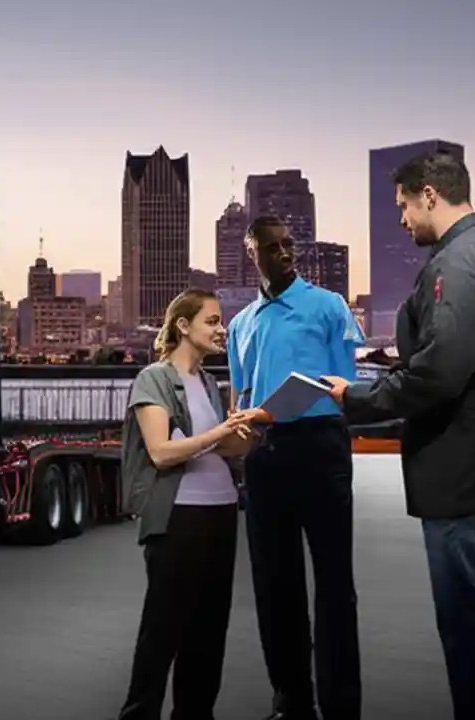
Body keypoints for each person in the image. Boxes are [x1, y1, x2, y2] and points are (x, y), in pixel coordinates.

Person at [321, 151, 475, 720]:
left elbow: (442, 371)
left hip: (467, 474)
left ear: (429, 194)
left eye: (403, 205)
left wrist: (355, 397)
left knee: (469, 625)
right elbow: (462, 350)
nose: (402, 219)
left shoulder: (456, 263)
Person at [225, 216, 366, 720]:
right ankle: (291, 701)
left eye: (290, 244)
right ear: (252, 252)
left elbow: (343, 383)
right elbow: (241, 395)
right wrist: (241, 430)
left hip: (321, 449)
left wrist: (278, 408)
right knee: (274, 584)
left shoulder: (329, 306)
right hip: (265, 457)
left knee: (334, 584)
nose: (287, 253)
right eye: (274, 246)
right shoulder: (241, 325)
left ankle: (341, 705)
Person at [117, 288, 257, 720]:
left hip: (220, 511)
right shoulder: (154, 379)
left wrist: (246, 431)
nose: (222, 329)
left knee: (209, 631)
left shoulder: (209, 383)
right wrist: (219, 434)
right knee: (163, 629)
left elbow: (220, 450)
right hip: (179, 516)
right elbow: (161, 452)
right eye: (212, 321)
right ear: (183, 325)